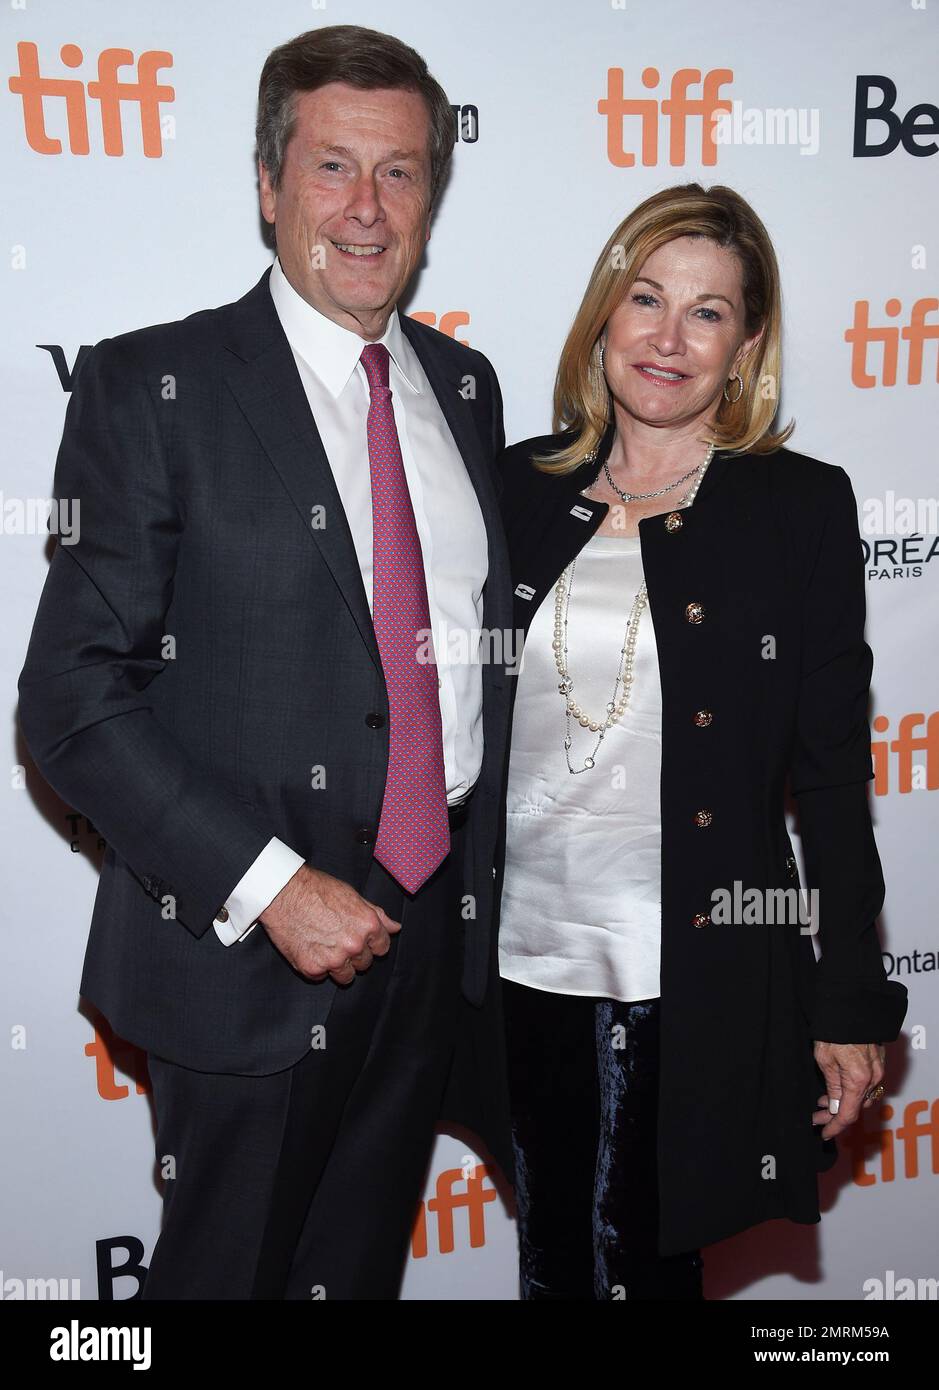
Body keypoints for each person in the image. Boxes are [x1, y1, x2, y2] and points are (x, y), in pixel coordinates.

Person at [17, 25, 514, 1300]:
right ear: (267, 183)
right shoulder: (153, 383)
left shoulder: (464, 386)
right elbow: (69, 699)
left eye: (399, 173)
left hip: (424, 948)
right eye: (333, 167)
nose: (365, 208)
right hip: (239, 953)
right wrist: (275, 886)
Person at [495, 183, 908, 1300]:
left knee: (642, 1265)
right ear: (603, 316)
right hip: (517, 960)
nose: (668, 338)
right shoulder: (514, 488)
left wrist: (852, 1000)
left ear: (748, 345)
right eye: (645, 299)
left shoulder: (797, 507)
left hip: (692, 965)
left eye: (709, 312)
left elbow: (830, 777)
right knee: (553, 1267)